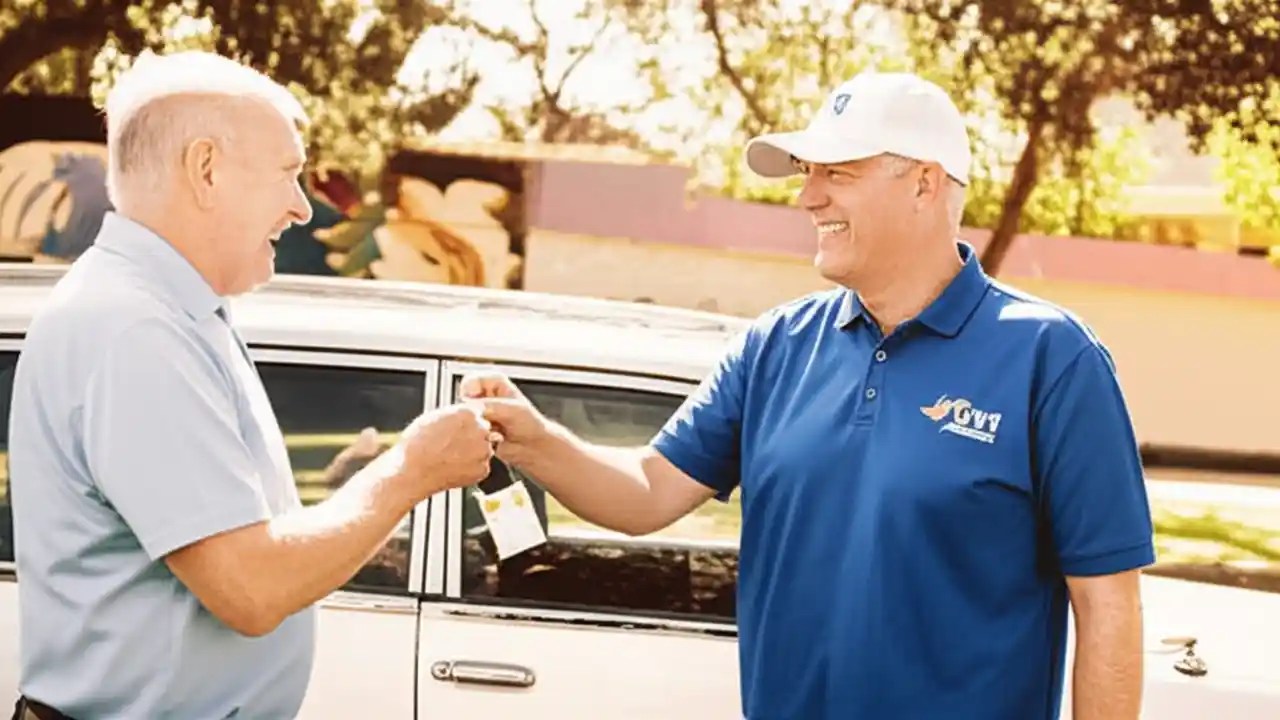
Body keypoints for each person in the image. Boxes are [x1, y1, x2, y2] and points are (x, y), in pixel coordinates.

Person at [462, 71, 1154, 720]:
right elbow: (647, 493)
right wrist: (538, 442)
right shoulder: (776, 346)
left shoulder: (1052, 358)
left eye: (837, 174)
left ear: (923, 183)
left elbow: (1108, 604)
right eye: (807, 174)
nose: (807, 196)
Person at [7, 51, 494, 720]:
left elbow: (242, 544)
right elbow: (250, 590)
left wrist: (351, 494)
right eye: (289, 174)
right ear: (206, 169)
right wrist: (408, 473)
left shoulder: (168, 312)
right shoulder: (135, 329)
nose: (302, 209)